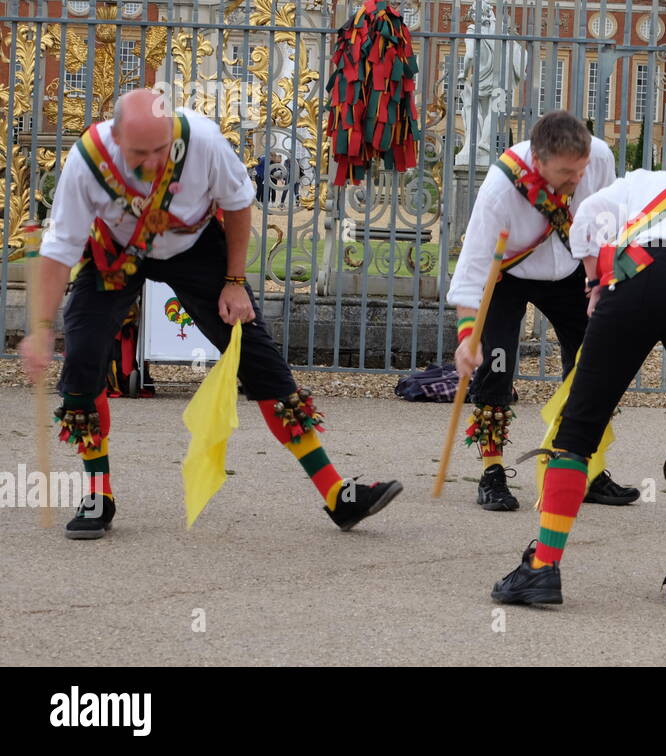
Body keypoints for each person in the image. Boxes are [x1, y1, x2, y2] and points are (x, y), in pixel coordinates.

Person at [19, 89, 402, 539]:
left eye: (161, 151)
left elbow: (239, 202)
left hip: (195, 247)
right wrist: (42, 329)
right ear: (116, 136)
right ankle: (98, 494)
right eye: (139, 153)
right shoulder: (87, 161)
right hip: (116, 252)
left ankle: (337, 494)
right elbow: (61, 246)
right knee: (83, 358)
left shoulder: (202, 139)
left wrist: (235, 282)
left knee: (258, 356)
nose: (153, 163)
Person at [489, 159, 666, 607]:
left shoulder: (642, 182)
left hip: (638, 277)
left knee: (580, 425)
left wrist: (593, 281)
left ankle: (543, 567)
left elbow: (586, 216)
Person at [447, 110, 637, 510]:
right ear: (538, 160)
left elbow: (605, 226)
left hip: (570, 266)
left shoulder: (599, 158)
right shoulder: (500, 189)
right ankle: (492, 471)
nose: (577, 180)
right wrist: (468, 338)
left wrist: (601, 283)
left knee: (592, 364)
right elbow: (471, 270)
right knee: (494, 366)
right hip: (509, 275)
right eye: (567, 172)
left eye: (581, 169)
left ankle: (586, 468)